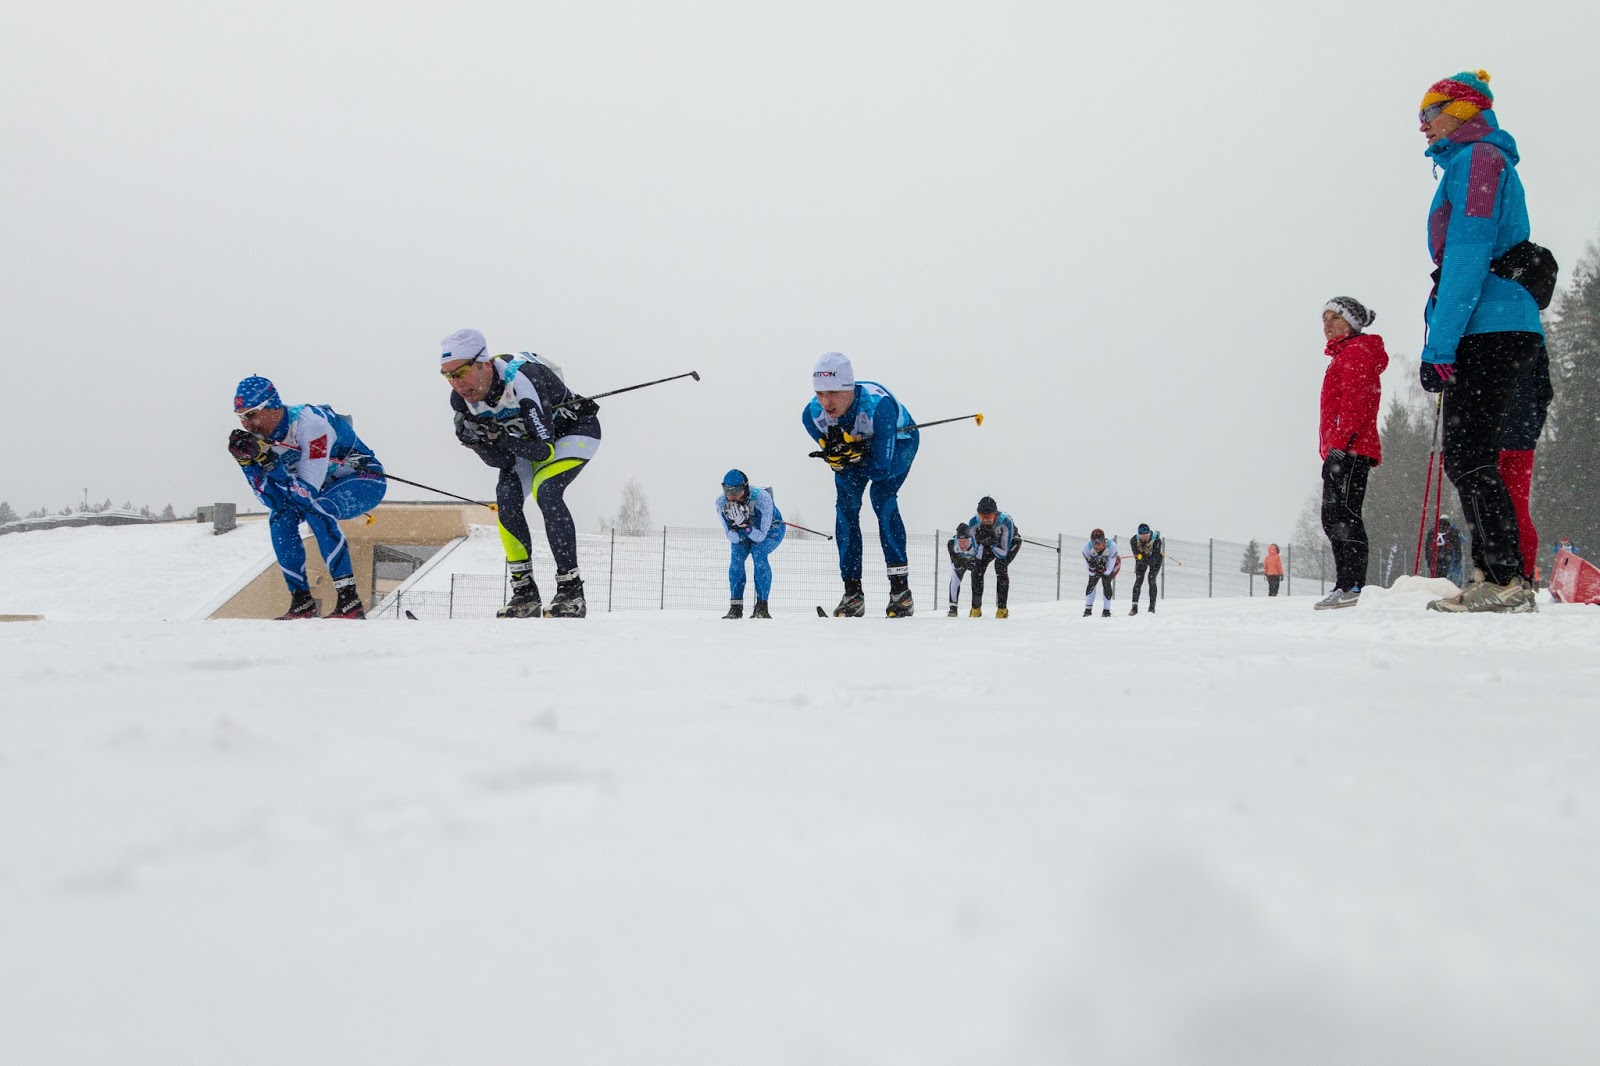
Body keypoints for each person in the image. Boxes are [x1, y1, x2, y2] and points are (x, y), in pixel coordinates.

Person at [1416, 71, 1544, 613]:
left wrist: (1438, 347)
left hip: (1490, 325)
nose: (1421, 126)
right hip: (1491, 323)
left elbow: (1467, 255)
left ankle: (1505, 576)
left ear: (1463, 110)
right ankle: (1499, 571)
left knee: (1470, 452)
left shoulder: (1479, 162)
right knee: (1472, 453)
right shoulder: (1474, 161)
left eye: (1430, 112)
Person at [440, 327, 601, 618]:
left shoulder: (524, 379)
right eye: (448, 375)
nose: (456, 383)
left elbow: (545, 451)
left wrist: (499, 438)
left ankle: (571, 589)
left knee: (546, 489)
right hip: (525, 445)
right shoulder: (461, 402)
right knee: (506, 497)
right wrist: (478, 443)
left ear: (484, 364)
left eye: (460, 372)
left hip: (571, 433)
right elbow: (501, 462)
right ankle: (524, 591)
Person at [229, 375, 387, 619]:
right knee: (279, 517)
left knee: (317, 508)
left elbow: (306, 494)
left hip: (365, 480)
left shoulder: (310, 425)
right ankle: (302, 601)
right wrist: (247, 463)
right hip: (321, 487)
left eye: (251, 414)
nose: (247, 424)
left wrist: (272, 465)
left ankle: (349, 602)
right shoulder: (263, 439)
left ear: (273, 406)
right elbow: (273, 500)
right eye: (241, 416)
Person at [802, 352, 919, 617]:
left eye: (832, 392)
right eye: (820, 393)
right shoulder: (811, 416)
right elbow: (834, 458)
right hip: (861, 451)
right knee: (845, 506)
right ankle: (852, 594)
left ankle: (901, 592)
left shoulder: (880, 408)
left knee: (882, 496)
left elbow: (880, 469)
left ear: (849, 389)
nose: (826, 402)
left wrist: (854, 456)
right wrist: (837, 459)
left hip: (899, 442)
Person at [1316, 296, 1387, 611]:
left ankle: (1353, 583)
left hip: (1350, 449)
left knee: (1344, 515)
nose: (1327, 325)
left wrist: (1339, 447)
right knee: (1333, 516)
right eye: (1325, 318)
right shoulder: (1344, 356)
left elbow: (1355, 406)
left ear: (1352, 323)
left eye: (1334, 317)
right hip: (1343, 448)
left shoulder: (1356, 353)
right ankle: (1343, 582)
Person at [1498, 342, 1554, 583]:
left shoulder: (1485, 324)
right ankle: (1525, 572)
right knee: (1519, 509)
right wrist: (1533, 429)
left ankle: (1497, 572)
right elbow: (1545, 392)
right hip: (1522, 436)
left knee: (1489, 506)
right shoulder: (1533, 336)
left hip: (1490, 431)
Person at [715, 469, 784, 619]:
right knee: (736, 560)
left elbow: (760, 537)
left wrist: (745, 525)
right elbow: (731, 537)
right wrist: (736, 527)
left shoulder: (762, 499)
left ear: (745, 488)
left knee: (759, 553)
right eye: (728, 491)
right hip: (743, 532)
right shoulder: (721, 503)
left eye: (737, 491)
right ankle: (736, 607)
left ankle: (761, 607)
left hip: (772, 530)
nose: (732, 496)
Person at [968, 497, 1020, 618]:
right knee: (977, 569)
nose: (985, 520)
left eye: (988, 517)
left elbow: (1003, 553)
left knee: (1000, 565)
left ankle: (1002, 610)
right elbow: (977, 554)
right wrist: (981, 540)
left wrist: (992, 542)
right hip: (989, 545)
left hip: (1009, 543)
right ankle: (975, 609)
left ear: (995, 515)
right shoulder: (973, 523)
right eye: (982, 516)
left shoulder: (1005, 522)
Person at [946, 522, 985, 617]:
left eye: (965, 542)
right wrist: (962, 562)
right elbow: (955, 563)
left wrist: (973, 563)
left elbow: (981, 562)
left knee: (977, 578)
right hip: (961, 562)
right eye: (960, 541)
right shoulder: (952, 543)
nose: (962, 545)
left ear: (970, 539)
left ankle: (975, 608)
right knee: (955, 579)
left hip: (973, 561)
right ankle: (953, 608)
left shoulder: (977, 542)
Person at [1082, 528, 1119, 618]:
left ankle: (1106, 611)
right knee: (1092, 582)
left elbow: (1109, 570)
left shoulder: (1112, 546)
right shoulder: (1086, 548)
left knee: (1106, 582)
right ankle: (1088, 610)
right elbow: (1090, 572)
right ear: (1091, 542)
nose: (1097, 546)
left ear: (1104, 541)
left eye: (1099, 543)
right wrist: (1093, 567)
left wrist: (1103, 569)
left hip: (1112, 564)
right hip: (1097, 565)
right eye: (1094, 543)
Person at [1128, 523, 1163, 614]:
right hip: (1142, 560)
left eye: (1146, 536)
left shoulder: (1157, 540)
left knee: (1151, 579)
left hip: (1156, 559)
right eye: (1142, 536)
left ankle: (1152, 607)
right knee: (1139, 580)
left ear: (1149, 534)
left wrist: (1146, 557)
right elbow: (1137, 556)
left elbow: (1154, 558)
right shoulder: (1134, 541)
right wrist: (1141, 557)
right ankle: (1134, 608)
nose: (1144, 538)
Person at [1428, 515, 1465, 586]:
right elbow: (1459, 545)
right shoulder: (1453, 531)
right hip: (1449, 558)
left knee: (1440, 577)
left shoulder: (1433, 532)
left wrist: (1429, 560)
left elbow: (1429, 547)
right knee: (1450, 576)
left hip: (1439, 559)